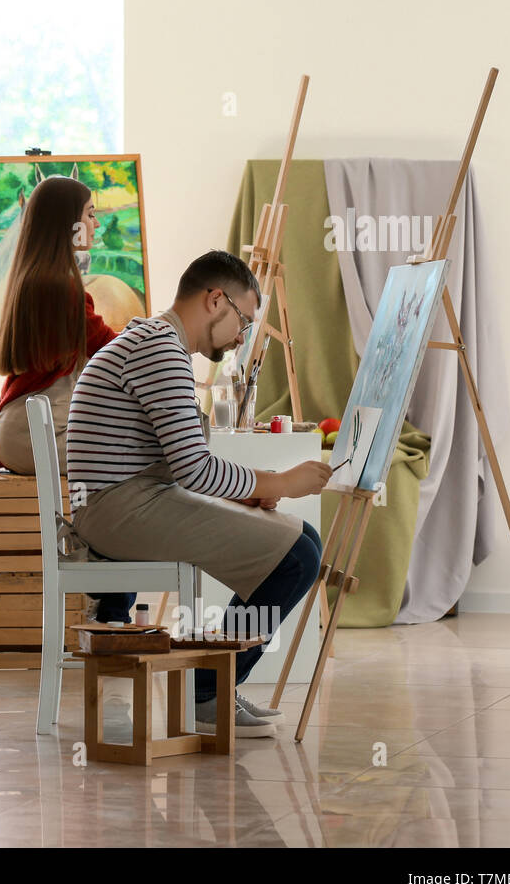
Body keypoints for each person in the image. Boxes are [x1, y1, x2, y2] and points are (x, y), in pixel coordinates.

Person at [66, 250, 330, 737]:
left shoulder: (152, 340)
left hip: (121, 501)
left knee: (307, 542)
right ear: (215, 300)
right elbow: (194, 470)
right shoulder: (160, 349)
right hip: (119, 507)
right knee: (297, 557)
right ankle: (205, 694)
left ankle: (210, 689)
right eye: (244, 321)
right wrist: (281, 484)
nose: (241, 336)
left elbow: (189, 465)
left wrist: (255, 492)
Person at [0, 176, 118, 474]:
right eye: (90, 214)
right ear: (67, 222)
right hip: (38, 436)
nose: (96, 224)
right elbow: (114, 351)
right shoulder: (63, 289)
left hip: (18, 432)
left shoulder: (32, 279)